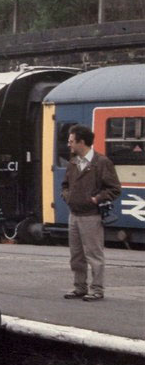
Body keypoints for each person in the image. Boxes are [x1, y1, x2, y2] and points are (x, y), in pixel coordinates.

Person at [61, 124, 121, 302]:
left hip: (91, 216)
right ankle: (79, 287)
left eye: (71, 141)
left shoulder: (101, 162)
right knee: (76, 255)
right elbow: (65, 185)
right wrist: (67, 196)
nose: (69, 144)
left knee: (94, 255)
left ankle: (97, 289)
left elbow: (114, 189)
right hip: (74, 215)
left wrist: (97, 199)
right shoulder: (73, 162)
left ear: (82, 142)